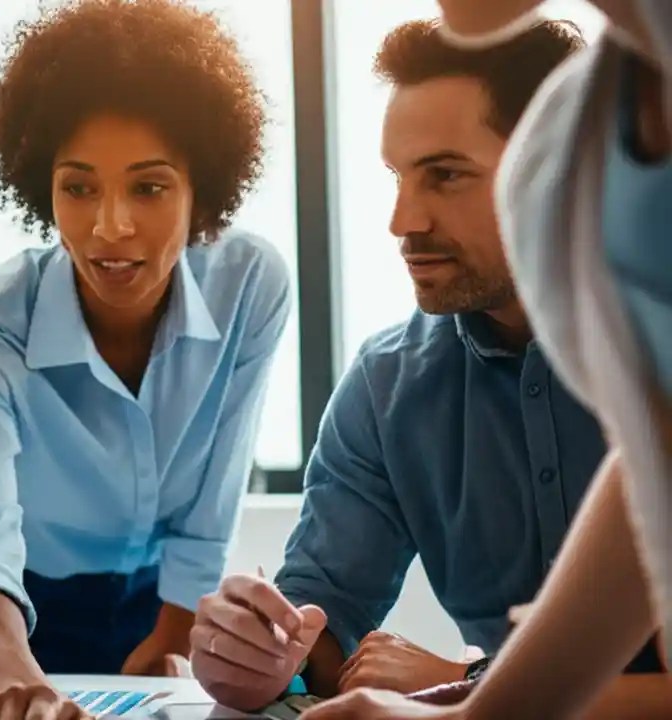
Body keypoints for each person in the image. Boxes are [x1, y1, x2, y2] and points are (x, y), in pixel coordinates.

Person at [192, 18, 669, 718]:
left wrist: (471, 685)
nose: (403, 221)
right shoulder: (388, 387)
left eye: (445, 175)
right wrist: (253, 650)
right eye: (398, 176)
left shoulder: (649, 344)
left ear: (557, 166)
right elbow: (315, 628)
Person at [0, 0, 290, 717]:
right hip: (15, 614)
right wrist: (14, 681)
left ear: (201, 189)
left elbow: (214, 500)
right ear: (43, 185)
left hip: (166, 601)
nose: (109, 227)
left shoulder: (250, 284)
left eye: (148, 187)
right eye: (79, 187)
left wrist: (175, 636)